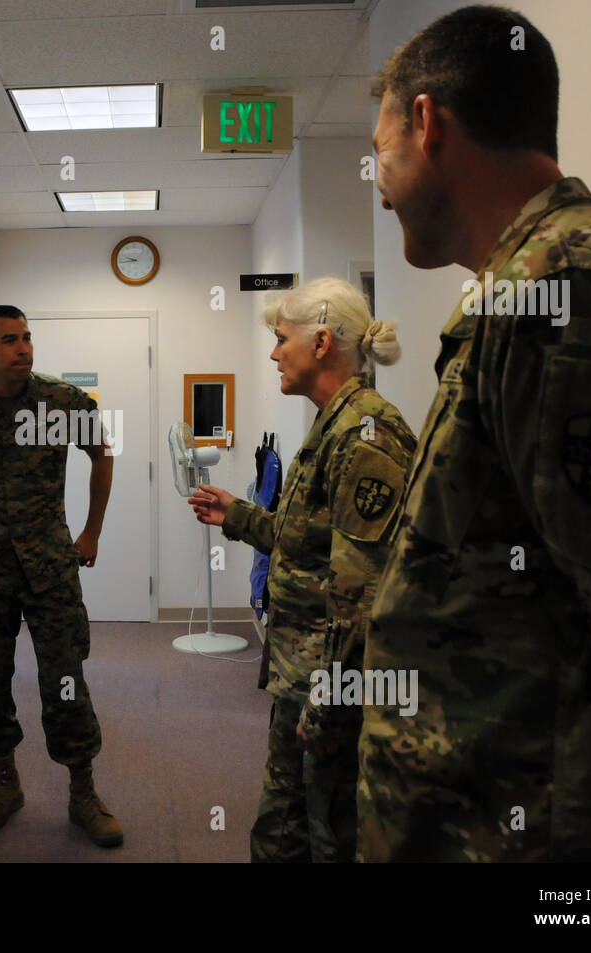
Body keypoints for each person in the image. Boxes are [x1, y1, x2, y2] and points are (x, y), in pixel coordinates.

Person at [363, 4, 591, 861]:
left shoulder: (558, 290)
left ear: (427, 121)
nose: (376, 181)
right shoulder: (525, 287)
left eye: (378, 153)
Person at [189, 278, 415, 862]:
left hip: (329, 691)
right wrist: (237, 515)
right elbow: (303, 544)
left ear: (320, 344)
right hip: (304, 679)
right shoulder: (331, 425)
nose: (272, 353)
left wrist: (327, 704)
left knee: (325, 837)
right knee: (287, 828)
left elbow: (366, 600)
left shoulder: (365, 436)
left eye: (280, 339)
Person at [0, 305, 122, 846]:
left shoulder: (63, 401)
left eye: (28, 338)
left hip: (50, 565)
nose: (23, 348)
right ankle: (4, 780)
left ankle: (83, 791)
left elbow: (102, 454)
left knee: (64, 677)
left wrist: (91, 532)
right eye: (9, 340)